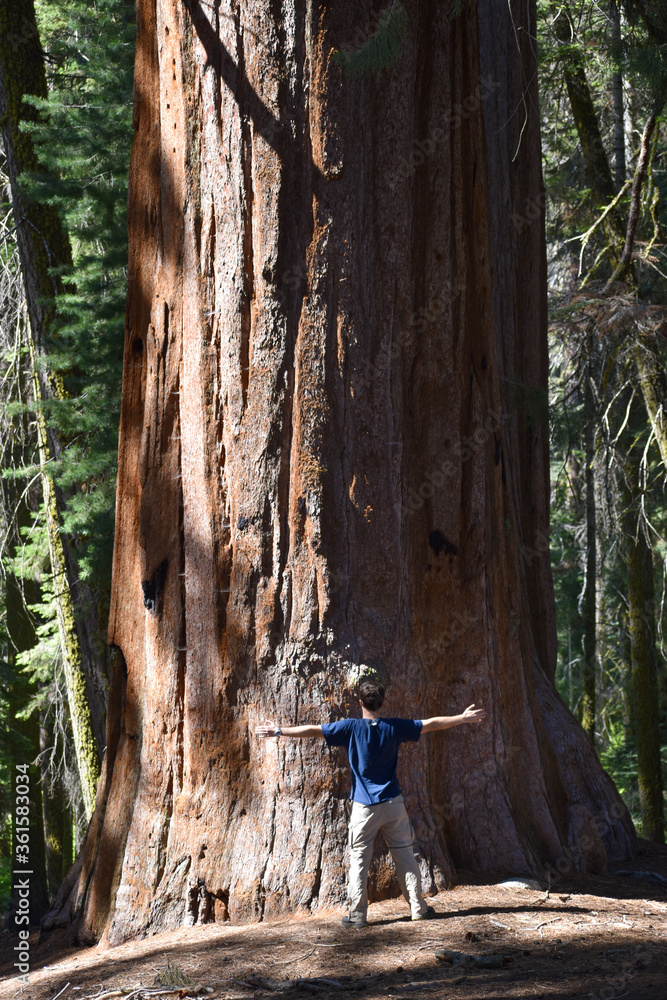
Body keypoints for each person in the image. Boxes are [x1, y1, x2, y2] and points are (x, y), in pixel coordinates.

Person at [255, 678, 486, 928]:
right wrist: (461, 718)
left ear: (360, 703)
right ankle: (418, 909)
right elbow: (429, 724)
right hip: (393, 803)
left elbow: (313, 730)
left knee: (359, 861)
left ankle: (357, 915)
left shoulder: (350, 727)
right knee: (405, 856)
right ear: (382, 703)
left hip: (364, 807)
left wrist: (278, 731)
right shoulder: (394, 727)